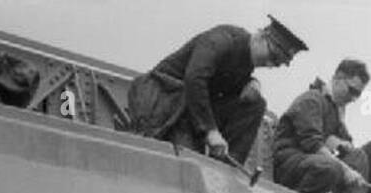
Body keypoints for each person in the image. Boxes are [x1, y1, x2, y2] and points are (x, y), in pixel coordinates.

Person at [128, 16, 307, 164]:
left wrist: (253, 82)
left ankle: (229, 163)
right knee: (187, 162)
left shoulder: (246, 59)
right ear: (261, 37)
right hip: (163, 97)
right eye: (273, 57)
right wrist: (210, 131)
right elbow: (195, 79)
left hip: (189, 107)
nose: (270, 65)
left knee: (256, 104)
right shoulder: (222, 40)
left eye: (277, 63)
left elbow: (223, 81)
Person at [273, 59, 371, 193]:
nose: (353, 98)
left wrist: (340, 142)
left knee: (358, 156)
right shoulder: (312, 99)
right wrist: (345, 169)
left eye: (358, 94)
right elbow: (312, 144)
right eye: (351, 90)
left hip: (308, 162)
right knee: (331, 168)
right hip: (286, 161)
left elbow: (346, 144)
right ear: (337, 78)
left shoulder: (336, 110)